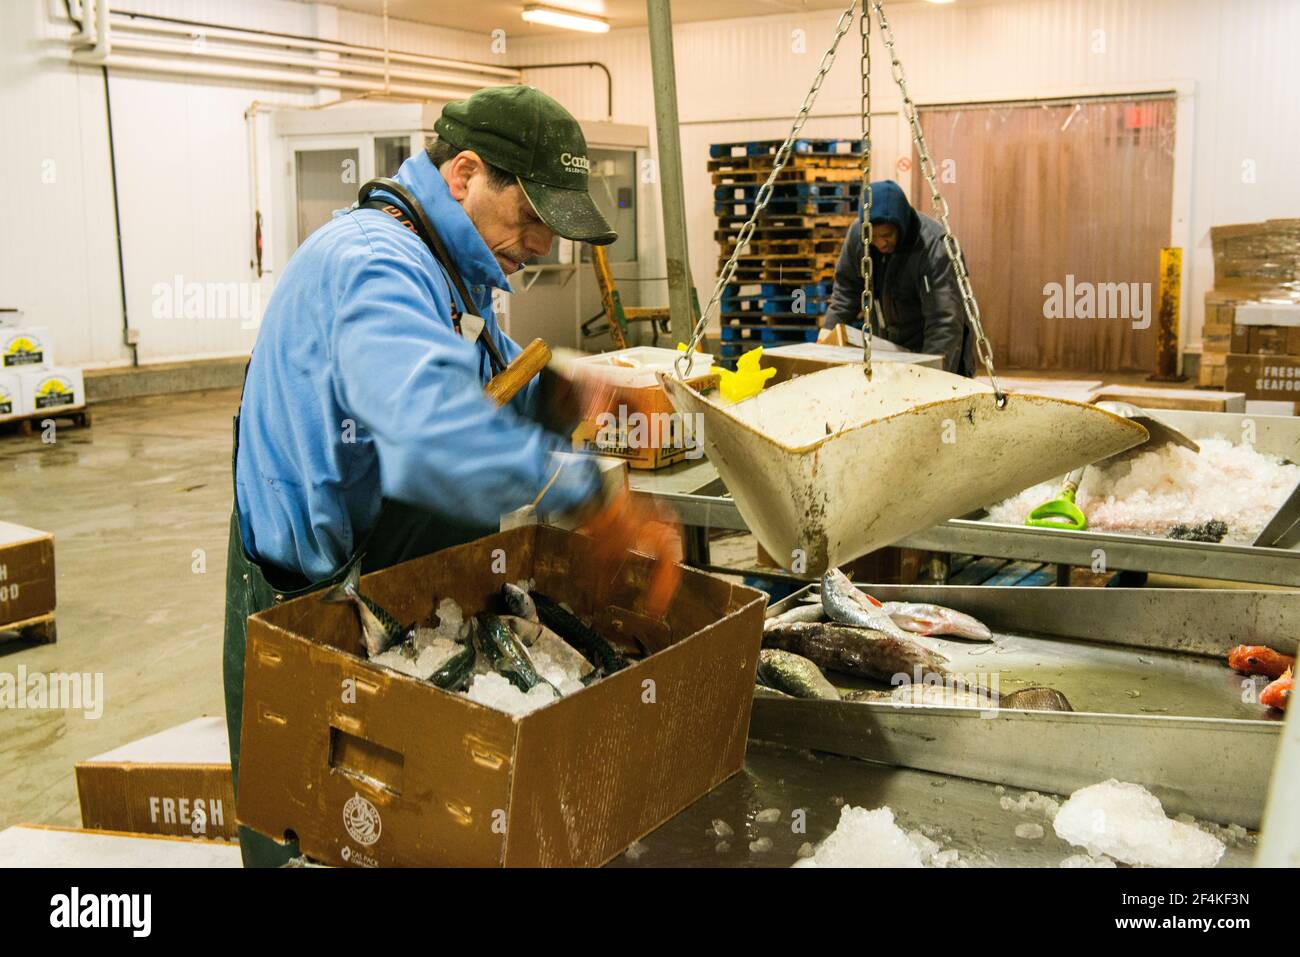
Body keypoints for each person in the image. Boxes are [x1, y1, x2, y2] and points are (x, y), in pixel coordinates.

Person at [222, 85, 677, 866]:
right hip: (311, 602)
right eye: (529, 216)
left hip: (381, 588)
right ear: (465, 173)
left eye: (551, 228)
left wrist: (572, 383)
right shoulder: (374, 263)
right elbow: (432, 431)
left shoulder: (446, 265)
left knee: (398, 826)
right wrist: (592, 495)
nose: (540, 243)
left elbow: (484, 379)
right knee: (316, 833)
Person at [819, 179, 976, 376]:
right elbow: (847, 291)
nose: (881, 243)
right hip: (889, 350)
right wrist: (829, 329)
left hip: (934, 349)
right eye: (873, 237)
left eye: (887, 235)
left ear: (901, 224)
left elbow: (943, 321)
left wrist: (932, 375)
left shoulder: (935, 247)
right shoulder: (858, 239)